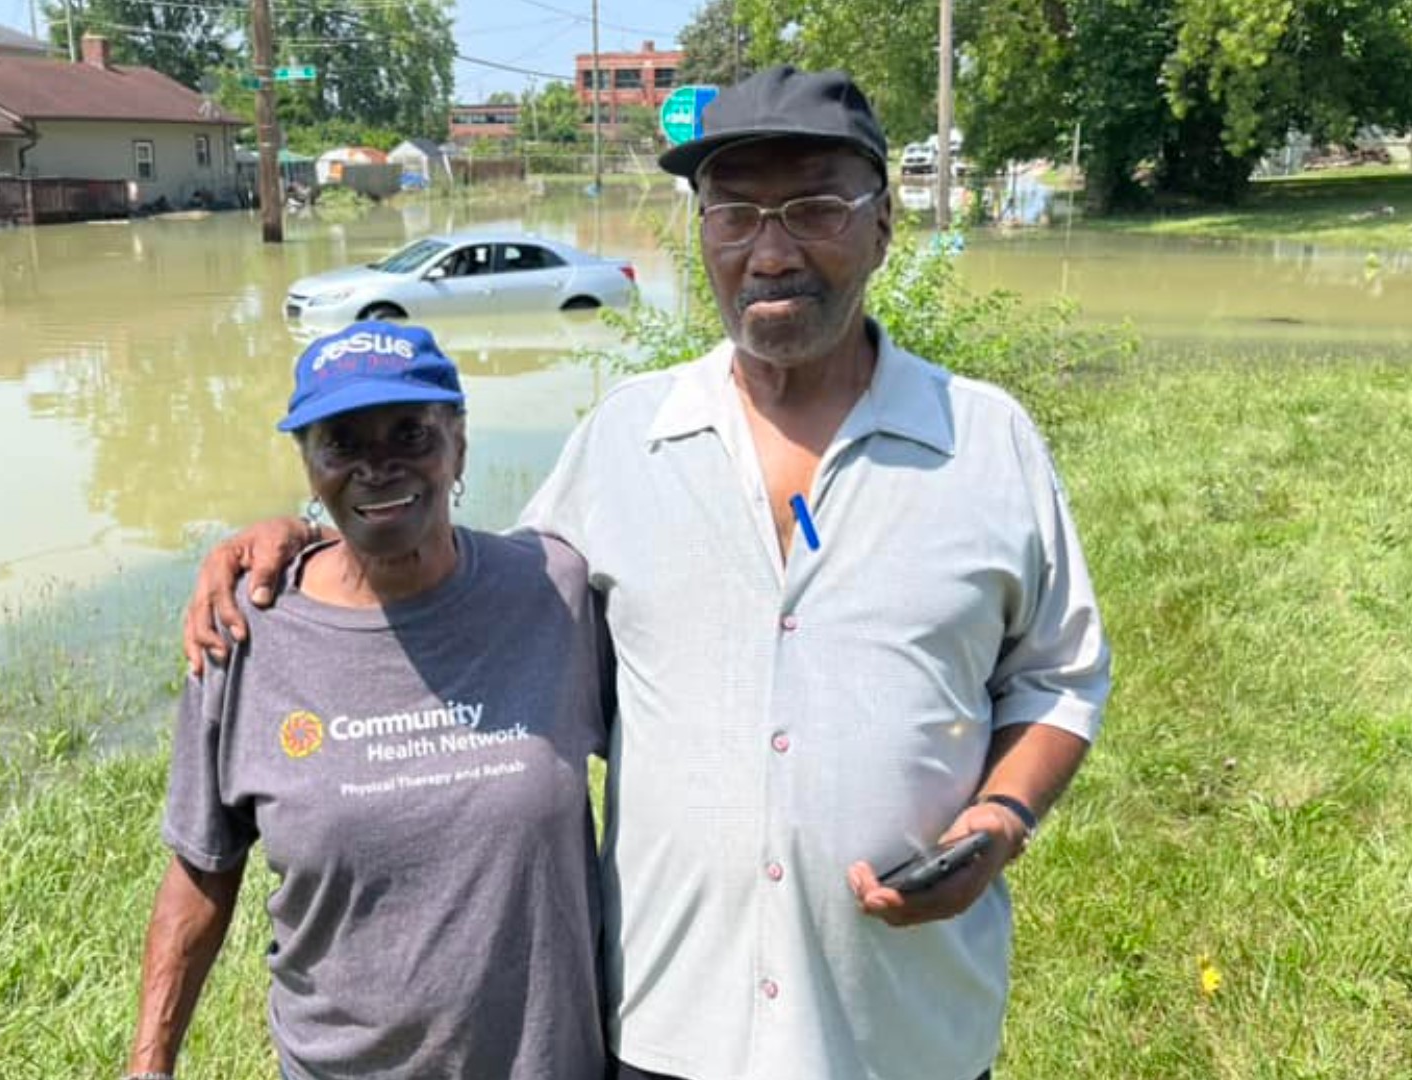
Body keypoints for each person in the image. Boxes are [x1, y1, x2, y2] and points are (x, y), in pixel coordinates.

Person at [184, 67, 1110, 1080]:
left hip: (905, 1024)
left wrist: (1003, 816)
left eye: (812, 208)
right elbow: (478, 597)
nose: (770, 251)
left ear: (884, 224)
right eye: (735, 213)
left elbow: (1059, 678)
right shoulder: (625, 440)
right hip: (671, 1026)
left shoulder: (984, 440)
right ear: (699, 231)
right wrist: (315, 531)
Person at [126, 322, 609, 1080]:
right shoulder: (243, 632)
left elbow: (692, 745)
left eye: (411, 434)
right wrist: (148, 1065)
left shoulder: (554, 593)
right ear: (310, 465)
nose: (378, 467)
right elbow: (202, 869)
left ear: (459, 446)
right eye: (343, 444)